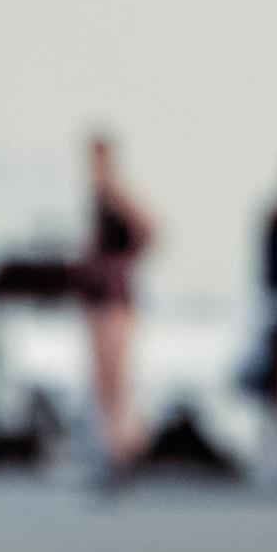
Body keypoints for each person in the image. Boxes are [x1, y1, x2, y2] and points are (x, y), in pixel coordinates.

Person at [79, 134, 155, 475]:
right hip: (97, 296)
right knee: (102, 379)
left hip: (114, 297)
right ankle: (112, 446)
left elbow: (149, 229)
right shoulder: (97, 195)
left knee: (115, 377)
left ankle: (126, 446)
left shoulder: (115, 191)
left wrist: (121, 262)